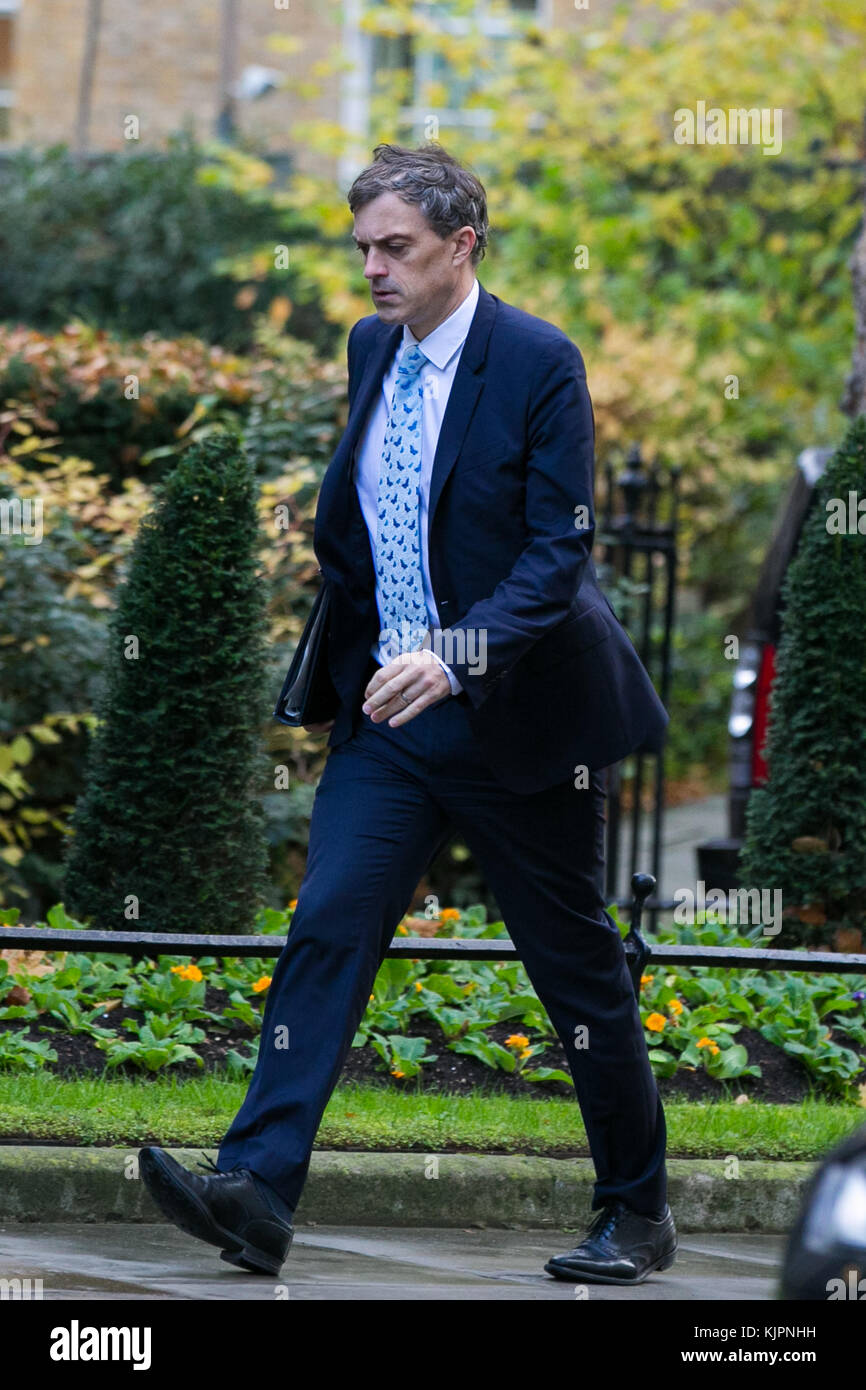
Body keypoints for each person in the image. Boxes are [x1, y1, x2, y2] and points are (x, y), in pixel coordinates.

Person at [140, 142, 676, 1287]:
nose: (372, 271)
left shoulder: (535, 360)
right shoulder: (368, 346)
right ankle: (256, 1191)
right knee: (327, 922)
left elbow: (558, 548)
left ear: (460, 246)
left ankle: (635, 1211)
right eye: (362, 250)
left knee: (574, 971)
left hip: (522, 728)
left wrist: (454, 650)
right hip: (388, 720)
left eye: (396, 248)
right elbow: (384, 514)